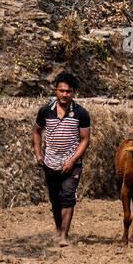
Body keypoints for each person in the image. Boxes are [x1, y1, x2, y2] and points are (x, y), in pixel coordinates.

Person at [33, 71, 91, 246]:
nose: (65, 95)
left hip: (72, 164)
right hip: (50, 162)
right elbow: (36, 131)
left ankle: (64, 235)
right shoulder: (45, 111)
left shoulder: (81, 113)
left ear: (74, 93)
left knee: (67, 197)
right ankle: (58, 231)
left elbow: (85, 139)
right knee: (55, 199)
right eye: (61, 91)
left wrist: (72, 160)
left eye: (69, 92)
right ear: (55, 91)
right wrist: (38, 154)